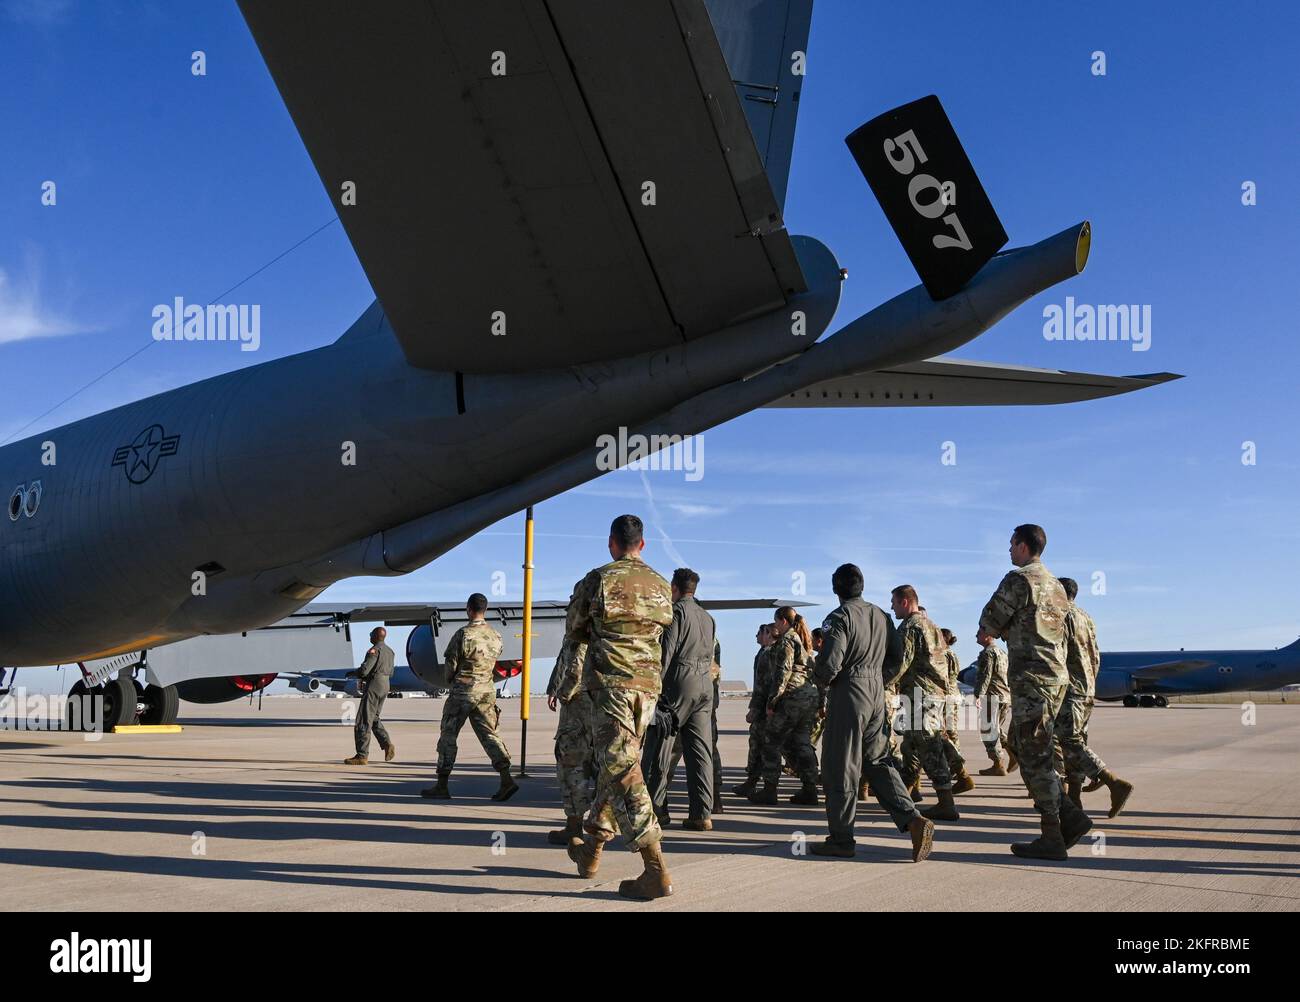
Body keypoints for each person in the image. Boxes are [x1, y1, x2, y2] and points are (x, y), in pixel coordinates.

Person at [565, 515, 676, 900]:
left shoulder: (599, 579)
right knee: (618, 767)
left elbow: (576, 629)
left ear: (612, 543)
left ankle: (655, 870)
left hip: (612, 687)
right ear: (642, 545)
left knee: (623, 770)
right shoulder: (663, 585)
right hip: (647, 691)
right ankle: (591, 852)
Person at [979, 524, 1093, 860]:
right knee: (1021, 742)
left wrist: (995, 630)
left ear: (1025, 547)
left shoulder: (1019, 580)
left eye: (1012, 544)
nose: (1009, 550)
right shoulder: (1057, 586)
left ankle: (1055, 832)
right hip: (1056, 679)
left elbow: (989, 622)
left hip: (1032, 680)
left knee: (1034, 756)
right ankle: (1066, 818)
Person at [810, 563, 934, 862]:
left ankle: (841, 838)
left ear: (836, 588)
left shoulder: (838, 617)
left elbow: (829, 665)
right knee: (878, 761)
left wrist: (820, 677)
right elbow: (896, 655)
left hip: (849, 694)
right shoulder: (881, 615)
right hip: (876, 693)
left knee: (840, 766)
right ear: (861, 586)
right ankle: (912, 819)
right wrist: (879, 681)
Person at [422, 594, 518, 802]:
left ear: (468, 609)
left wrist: (450, 680)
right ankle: (506, 779)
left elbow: (451, 665)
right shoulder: (496, 635)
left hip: (463, 691)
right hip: (487, 691)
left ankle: (442, 785)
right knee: (490, 735)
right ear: (485, 609)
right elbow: (497, 659)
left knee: (448, 735)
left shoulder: (463, 635)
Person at [643, 568, 718, 831]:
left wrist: (654, 691)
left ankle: (657, 811)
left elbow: (666, 654)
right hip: (704, 685)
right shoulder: (707, 618)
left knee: (659, 749)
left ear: (674, 588)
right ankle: (701, 813)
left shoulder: (676, 614)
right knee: (700, 753)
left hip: (678, 684)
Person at [1054, 577, 1133, 816]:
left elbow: (1057, 655)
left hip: (1069, 689)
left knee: (1069, 742)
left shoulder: (1061, 616)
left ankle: (1112, 782)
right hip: (1087, 688)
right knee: (1076, 741)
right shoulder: (1086, 617)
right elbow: (1095, 656)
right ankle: (1075, 799)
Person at [889, 586, 958, 822]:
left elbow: (900, 663)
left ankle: (946, 802)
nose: (892, 607)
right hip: (933, 694)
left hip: (920, 696)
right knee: (913, 746)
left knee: (929, 747)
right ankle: (906, 794)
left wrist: (879, 683)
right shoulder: (932, 626)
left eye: (894, 603)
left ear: (906, 602)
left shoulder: (910, 627)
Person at [753, 606, 821, 806]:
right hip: (807, 697)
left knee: (771, 740)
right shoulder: (800, 640)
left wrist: (772, 701)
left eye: (775, 622)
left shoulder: (787, 641)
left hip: (792, 697)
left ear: (783, 621)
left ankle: (769, 790)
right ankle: (810, 789)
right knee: (802, 743)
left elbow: (782, 673)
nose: (774, 626)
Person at [545, 619, 594, 845]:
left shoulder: (581, 635)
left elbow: (575, 670)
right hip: (589, 711)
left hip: (577, 714)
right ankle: (578, 825)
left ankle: (575, 827)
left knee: (571, 768)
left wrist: (563, 695)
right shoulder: (592, 631)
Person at [732, 623, 776, 798]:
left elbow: (763, 686)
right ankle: (752, 781)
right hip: (765, 707)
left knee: (765, 746)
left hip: (766, 709)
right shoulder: (763, 653)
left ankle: (768, 787)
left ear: (768, 635)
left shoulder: (769, 654)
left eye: (759, 633)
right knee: (757, 745)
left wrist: (756, 709)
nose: (756, 636)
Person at [344, 627, 396, 765]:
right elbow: (391, 672)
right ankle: (386, 744)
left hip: (374, 685)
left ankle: (362, 755)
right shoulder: (390, 651)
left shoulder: (374, 650)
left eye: (371, 634)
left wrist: (353, 673)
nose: (369, 636)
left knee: (363, 720)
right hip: (385, 684)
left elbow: (365, 670)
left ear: (375, 636)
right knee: (374, 718)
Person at [972, 628, 1013, 775]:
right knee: (997, 729)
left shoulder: (988, 653)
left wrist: (978, 695)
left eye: (979, 633)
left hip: (992, 697)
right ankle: (1014, 754)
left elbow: (985, 676)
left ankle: (998, 764)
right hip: (1004, 696)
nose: (976, 635)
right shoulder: (1002, 653)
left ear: (989, 635)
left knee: (988, 730)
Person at [940, 627, 976, 795]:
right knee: (949, 732)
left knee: (947, 733)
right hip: (952, 696)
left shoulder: (945, 655)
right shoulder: (950, 654)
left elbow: (945, 678)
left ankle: (958, 767)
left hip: (947, 696)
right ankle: (957, 768)